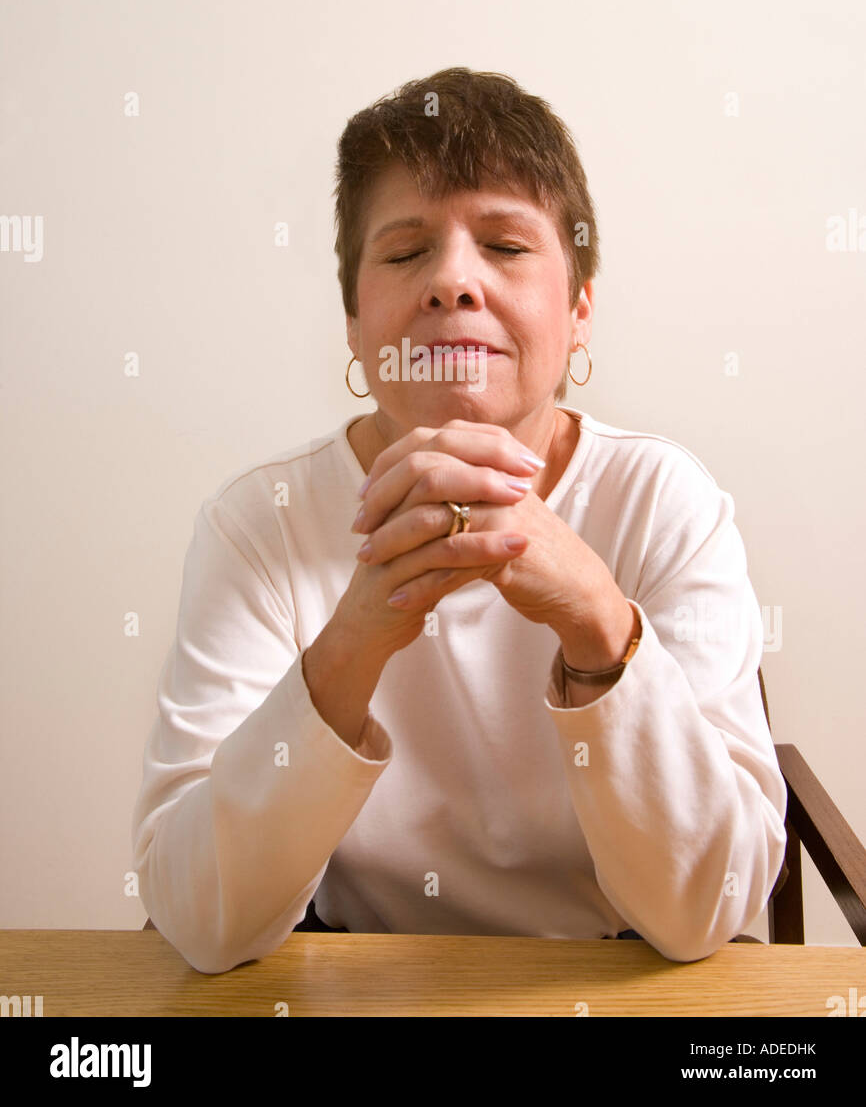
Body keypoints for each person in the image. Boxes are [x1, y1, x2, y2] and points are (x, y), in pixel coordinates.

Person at [131, 66, 787, 975]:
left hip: (618, 982)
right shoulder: (260, 523)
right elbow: (200, 915)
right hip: (356, 988)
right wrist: (356, 638)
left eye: (507, 246)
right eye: (405, 253)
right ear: (356, 326)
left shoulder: (663, 501)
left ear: (579, 310)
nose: (452, 282)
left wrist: (598, 620)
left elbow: (710, 905)